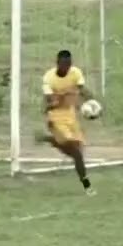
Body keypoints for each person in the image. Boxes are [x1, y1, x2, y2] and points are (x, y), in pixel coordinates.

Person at [38, 50, 98, 195]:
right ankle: (87, 186)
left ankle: (51, 140)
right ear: (58, 64)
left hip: (70, 117)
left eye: (69, 65)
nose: (67, 68)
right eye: (64, 65)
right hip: (56, 118)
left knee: (77, 151)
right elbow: (48, 102)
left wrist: (92, 102)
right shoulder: (49, 78)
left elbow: (82, 90)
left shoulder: (75, 73)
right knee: (76, 152)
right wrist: (56, 100)